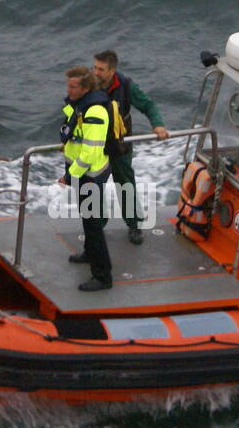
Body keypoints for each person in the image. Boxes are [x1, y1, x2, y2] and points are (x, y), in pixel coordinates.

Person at [91, 50, 169, 245]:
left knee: (125, 183)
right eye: (95, 67)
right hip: (95, 145)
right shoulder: (88, 85)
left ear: (112, 71)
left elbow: (148, 105)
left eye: (100, 69)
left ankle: (134, 225)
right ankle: (97, 225)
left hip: (120, 144)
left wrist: (157, 124)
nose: (96, 72)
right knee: (93, 185)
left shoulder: (126, 86)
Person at [58, 66, 113, 291]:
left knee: (93, 225)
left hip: (91, 176)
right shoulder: (78, 106)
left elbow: (90, 152)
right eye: (68, 85)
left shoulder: (95, 113)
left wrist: (70, 175)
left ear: (85, 88)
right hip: (82, 174)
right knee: (88, 218)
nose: (68, 90)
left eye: (73, 86)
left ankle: (103, 276)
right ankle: (90, 253)